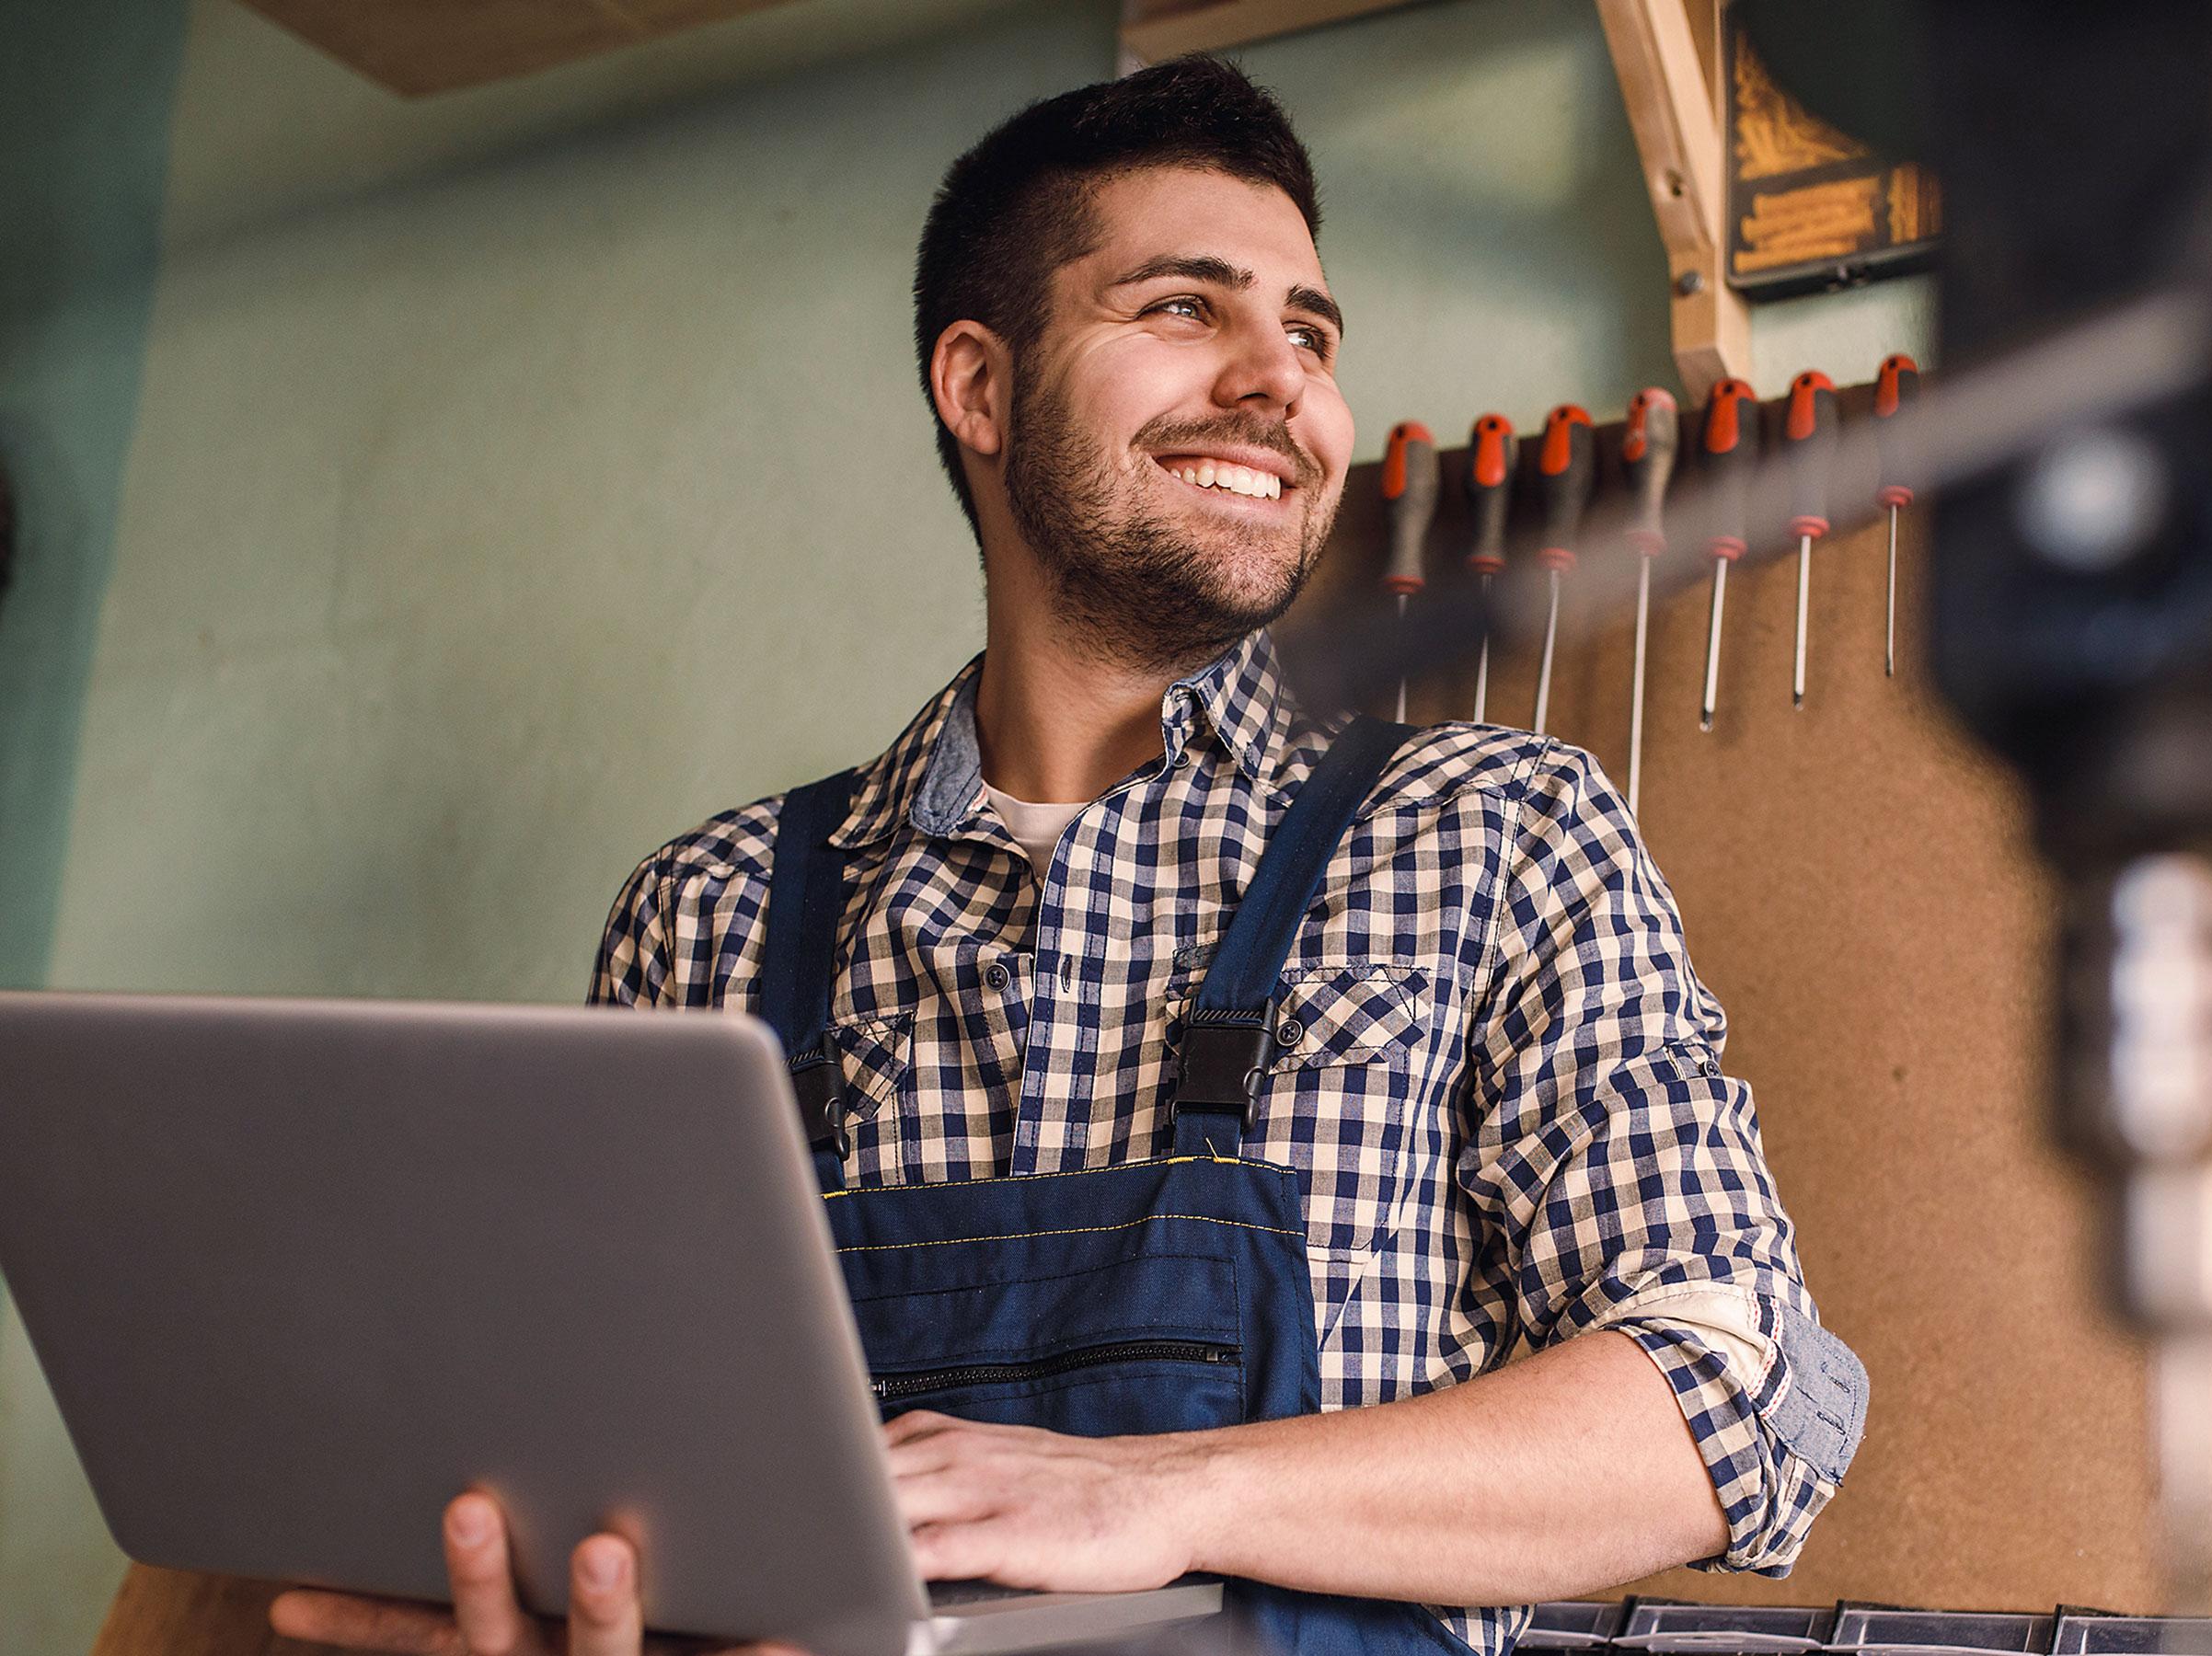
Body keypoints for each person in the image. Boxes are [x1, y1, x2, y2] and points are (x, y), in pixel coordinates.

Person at [274, 54, 1862, 1656]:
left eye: (1309, 333)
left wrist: (1154, 1495)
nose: (1278, 381)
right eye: (1186, 307)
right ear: (980, 387)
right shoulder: (712, 918)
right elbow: (620, 1459)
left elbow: (1738, 1395)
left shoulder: (1493, 830)